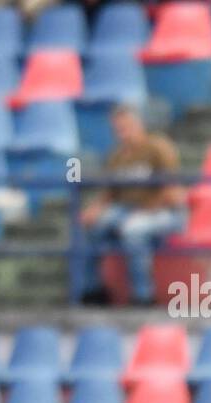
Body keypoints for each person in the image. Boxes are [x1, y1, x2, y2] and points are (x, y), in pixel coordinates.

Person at [79, 105, 186, 306]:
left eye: (126, 127)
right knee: (94, 225)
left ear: (138, 125)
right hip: (128, 209)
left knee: (133, 229)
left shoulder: (158, 148)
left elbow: (171, 190)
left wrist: (144, 211)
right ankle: (93, 290)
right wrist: (95, 209)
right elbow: (110, 193)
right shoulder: (117, 156)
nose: (123, 133)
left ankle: (143, 295)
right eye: (118, 129)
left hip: (164, 211)